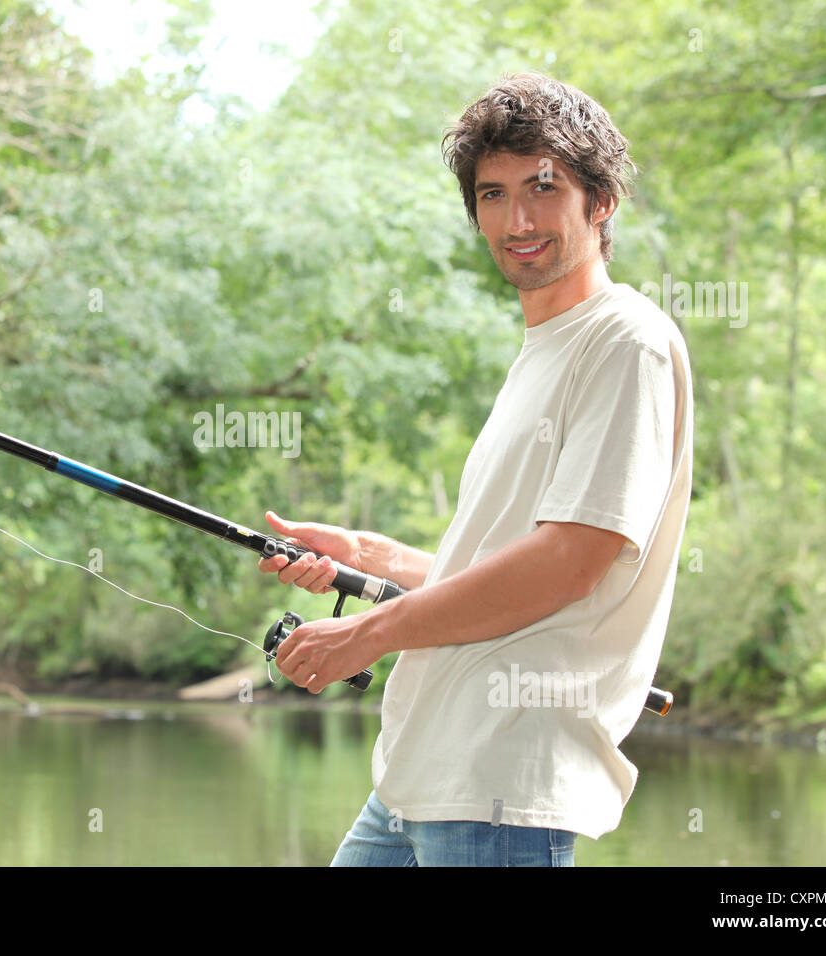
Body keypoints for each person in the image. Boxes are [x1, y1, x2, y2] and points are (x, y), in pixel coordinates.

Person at [258, 72, 694, 867]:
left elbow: (570, 565)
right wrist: (373, 558)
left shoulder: (624, 340)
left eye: (543, 188)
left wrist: (370, 633)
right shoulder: (544, 349)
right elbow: (502, 569)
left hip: (500, 784)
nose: (517, 219)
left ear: (600, 202)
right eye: (492, 195)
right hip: (421, 773)